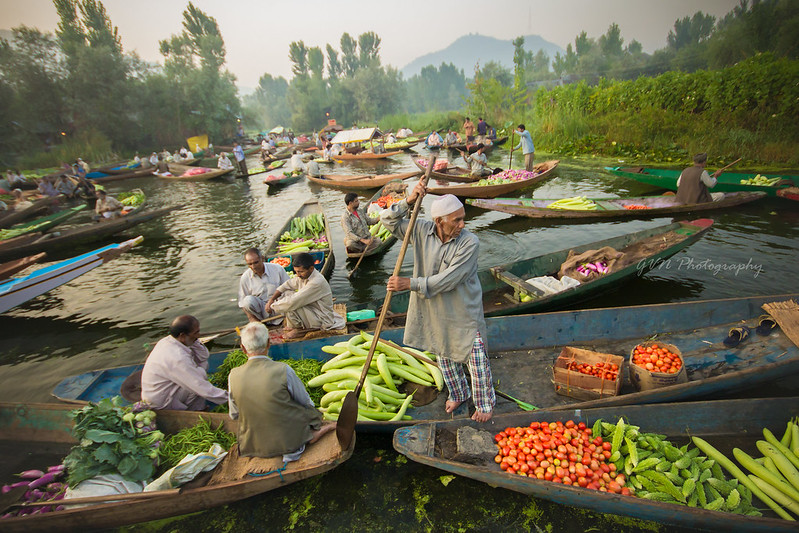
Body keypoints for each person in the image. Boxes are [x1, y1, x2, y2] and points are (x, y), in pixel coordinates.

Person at [381, 188, 495, 422]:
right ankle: (459, 392)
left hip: (463, 309)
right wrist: (410, 200)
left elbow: (450, 279)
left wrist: (409, 283)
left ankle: (484, 403)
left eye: (463, 218)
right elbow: (387, 220)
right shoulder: (421, 230)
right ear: (439, 222)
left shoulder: (469, 242)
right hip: (435, 308)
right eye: (457, 220)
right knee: (443, 351)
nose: (463, 224)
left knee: (475, 357)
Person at [227, 322, 334, 459]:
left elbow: (234, 415)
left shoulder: (233, 375)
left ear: (243, 348)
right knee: (310, 411)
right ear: (268, 343)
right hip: (289, 444)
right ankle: (312, 435)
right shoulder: (283, 370)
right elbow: (305, 402)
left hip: (253, 445)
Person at [141, 315, 228, 411]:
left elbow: (203, 356)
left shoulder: (169, 340)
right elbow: (200, 386)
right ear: (182, 336)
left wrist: (194, 340)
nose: (198, 335)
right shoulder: (177, 357)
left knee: (201, 369)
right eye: (196, 333)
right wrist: (232, 398)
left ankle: (196, 406)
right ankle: (197, 411)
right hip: (161, 402)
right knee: (198, 382)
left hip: (166, 389)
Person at [265, 253, 345, 339]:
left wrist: (272, 307)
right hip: (312, 310)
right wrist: (271, 300)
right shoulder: (303, 277)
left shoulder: (316, 282)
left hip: (322, 318)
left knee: (292, 303)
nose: (298, 275)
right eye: (296, 272)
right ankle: (295, 326)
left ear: (311, 268)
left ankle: (299, 330)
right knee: (287, 293)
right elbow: (286, 285)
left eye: (301, 272)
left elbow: (294, 301)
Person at [238, 247, 290, 324]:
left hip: (280, 307)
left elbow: (289, 288)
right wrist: (251, 318)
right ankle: (261, 321)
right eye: (250, 264)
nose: (253, 267)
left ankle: (286, 318)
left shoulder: (277, 269)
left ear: (262, 259)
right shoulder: (245, 277)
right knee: (247, 301)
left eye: (256, 262)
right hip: (262, 311)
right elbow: (242, 302)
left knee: (289, 293)